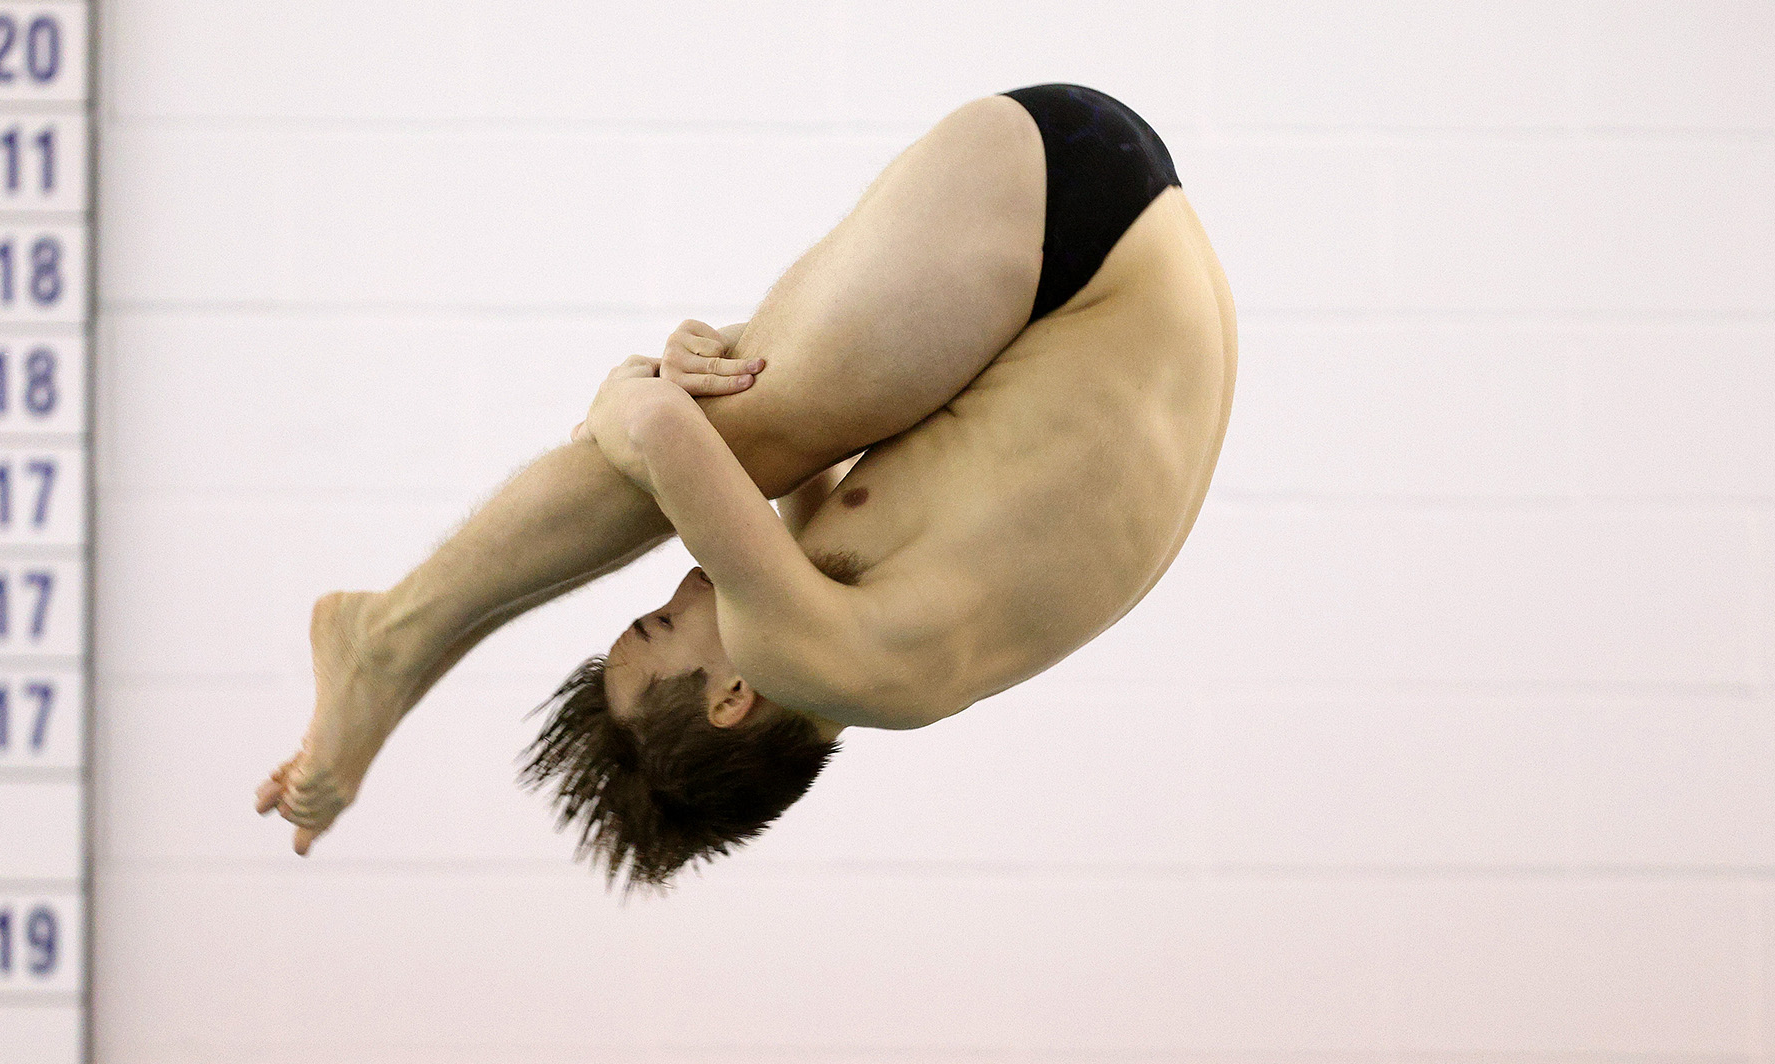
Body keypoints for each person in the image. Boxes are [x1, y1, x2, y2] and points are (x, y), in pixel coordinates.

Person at [255, 84, 1236, 890]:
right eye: (654, 631)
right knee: (728, 439)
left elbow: (808, 423)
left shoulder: (879, 661)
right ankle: (386, 639)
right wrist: (619, 400)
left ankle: (402, 645)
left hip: (1104, 228)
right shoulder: (804, 654)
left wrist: (708, 360)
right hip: (1066, 216)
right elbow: (663, 430)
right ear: (731, 698)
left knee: (743, 425)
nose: (672, 592)